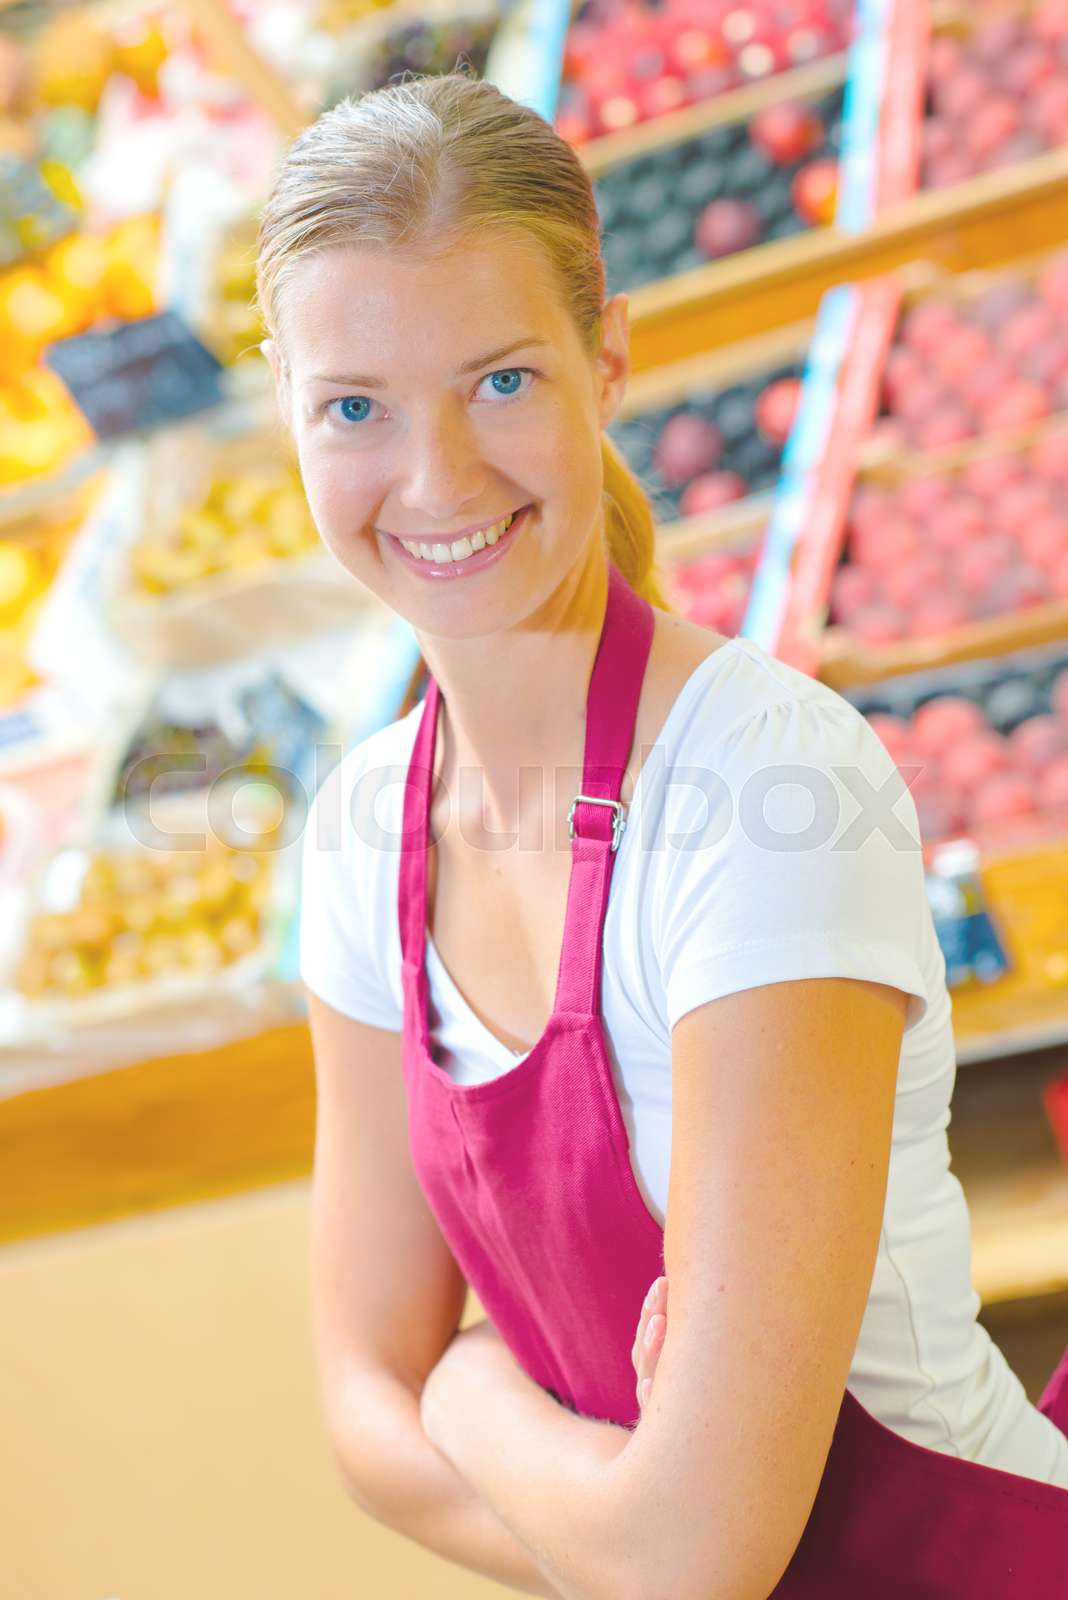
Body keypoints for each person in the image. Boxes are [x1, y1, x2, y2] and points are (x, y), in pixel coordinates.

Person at [257, 71, 1068, 1600]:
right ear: (288, 419)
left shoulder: (765, 785)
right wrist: (607, 1508)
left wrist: (468, 1391)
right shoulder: (364, 834)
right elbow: (360, 1412)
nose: (436, 479)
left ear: (605, 360)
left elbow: (698, 1550)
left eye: (500, 381)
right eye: (354, 407)